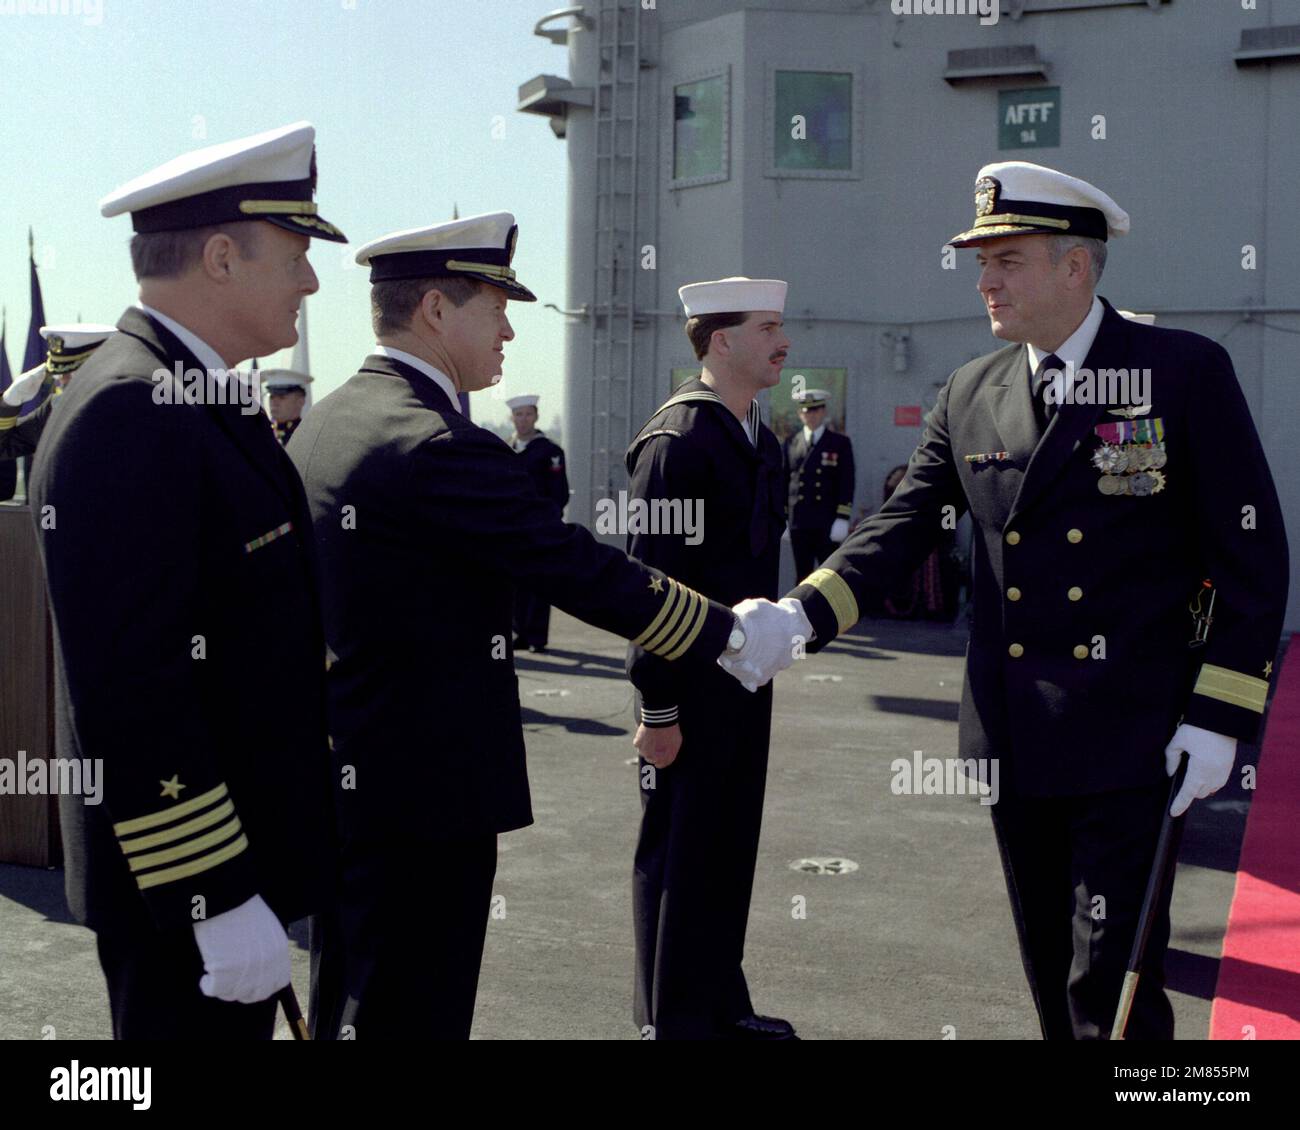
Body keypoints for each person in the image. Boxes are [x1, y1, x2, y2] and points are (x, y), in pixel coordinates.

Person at [726, 161, 1290, 1040]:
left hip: (1136, 734)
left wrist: (1219, 714)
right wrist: (800, 614)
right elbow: (905, 524)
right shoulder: (971, 390)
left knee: (1110, 987)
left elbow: (1249, 552)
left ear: (1077, 266)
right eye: (979, 261)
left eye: (1008, 260)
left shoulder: (1180, 372)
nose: (984, 280)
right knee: (1048, 972)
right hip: (1016, 734)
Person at [288, 212, 768, 1040]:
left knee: (355, 998)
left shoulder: (326, 422)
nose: (511, 328)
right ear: (436, 310)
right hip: (428, 798)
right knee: (413, 1010)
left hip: (347, 776)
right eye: (495, 305)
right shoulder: (435, 441)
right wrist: (730, 632)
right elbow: (577, 566)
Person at [30, 121, 347, 1039]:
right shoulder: (132, 408)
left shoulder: (196, 396)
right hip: (183, 898)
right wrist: (212, 893)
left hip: (227, 875)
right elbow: (131, 688)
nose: (311, 280)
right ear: (219, 257)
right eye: (295, 256)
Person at [626, 276, 795, 1040]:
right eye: (767, 327)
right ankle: (671, 1021)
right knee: (679, 858)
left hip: (743, 684)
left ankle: (719, 1007)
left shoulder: (760, 435)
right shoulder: (677, 442)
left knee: (727, 851)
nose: (783, 342)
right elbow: (646, 590)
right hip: (687, 693)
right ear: (719, 342)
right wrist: (657, 709)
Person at [505, 393, 568, 651]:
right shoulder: (504, 450)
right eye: (518, 414)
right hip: (510, 528)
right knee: (515, 585)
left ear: (536, 416)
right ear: (512, 418)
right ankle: (520, 632)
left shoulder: (550, 451)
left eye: (528, 414)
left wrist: (546, 522)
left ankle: (537, 637)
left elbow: (559, 493)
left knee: (539, 584)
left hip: (540, 528)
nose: (523, 420)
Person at [0, 324, 115, 461]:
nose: (61, 380)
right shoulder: (55, 409)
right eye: (57, 373)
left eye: (69, 372)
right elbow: (4, 447)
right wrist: (11, 400)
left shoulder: (131, 405)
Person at [782, 388, 855, 579]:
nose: (810, 415)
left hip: (827, 521)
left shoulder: (839, 443)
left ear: (823, 412)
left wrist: (842, 518)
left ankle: (827, 610)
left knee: (828, 576)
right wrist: (783, 517)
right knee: (802, 575)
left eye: (814, 410)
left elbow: (846, 481)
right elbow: (784, 480)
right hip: (799, 521)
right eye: (805, 411)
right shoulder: (791, 442)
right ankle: (802, 609)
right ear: (799, 414)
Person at [262, 367, 312, 446]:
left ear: (300, 401)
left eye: (282, 397)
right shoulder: (260, 432)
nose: (274, 402)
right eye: (272, 396)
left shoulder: (308, 436)